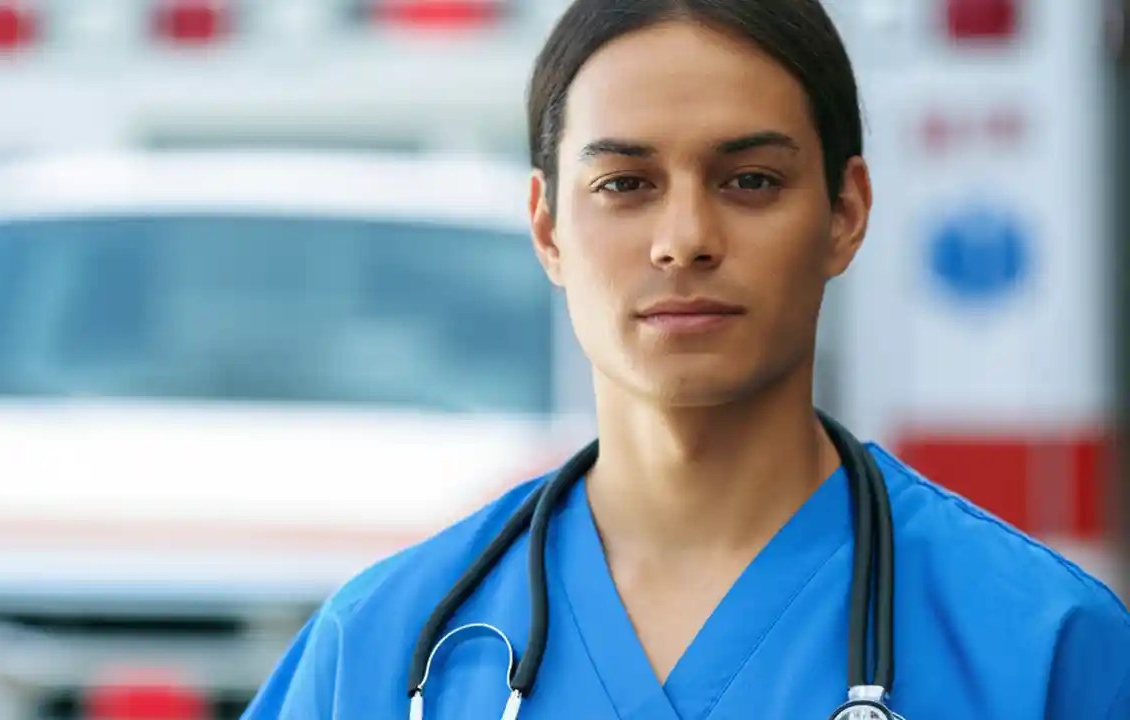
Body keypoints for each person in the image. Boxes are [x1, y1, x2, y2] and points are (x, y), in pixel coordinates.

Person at [241, 1, 1130, 717]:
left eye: (750, 181)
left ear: (845, 213)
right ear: (548, 227)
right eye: (626, 184)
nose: (685, 240)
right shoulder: (376, 651)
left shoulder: (1048, 648)